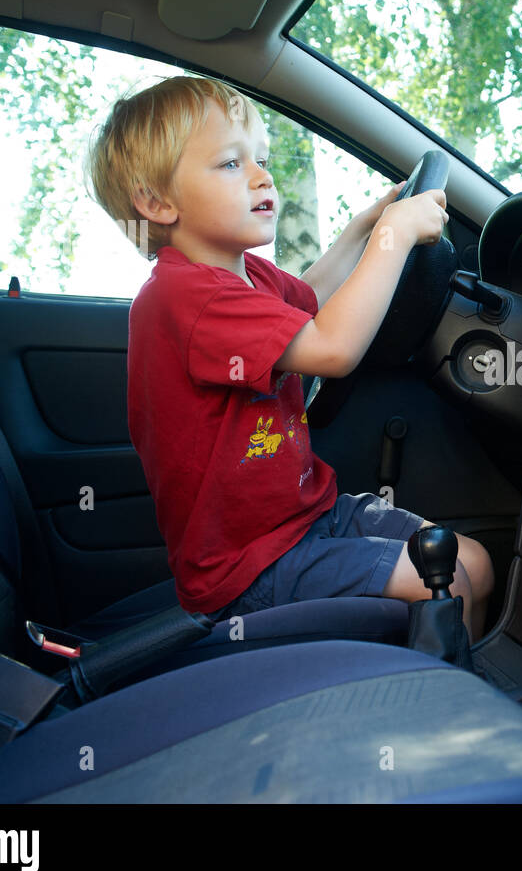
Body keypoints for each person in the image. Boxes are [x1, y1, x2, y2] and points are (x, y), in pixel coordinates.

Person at [86, 75, 493, 639]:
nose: (261, 175)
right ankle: (445, 702)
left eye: (261, 157)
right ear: (155, 201)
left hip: (310, 517)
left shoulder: (245, 275)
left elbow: (312, 299)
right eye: (231, 164)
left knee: (472, 562)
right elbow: (331, 346)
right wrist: (392, 240)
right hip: (249, 565)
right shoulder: (185, 297)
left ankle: (462, 685)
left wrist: (364, 229)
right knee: (443, 578)